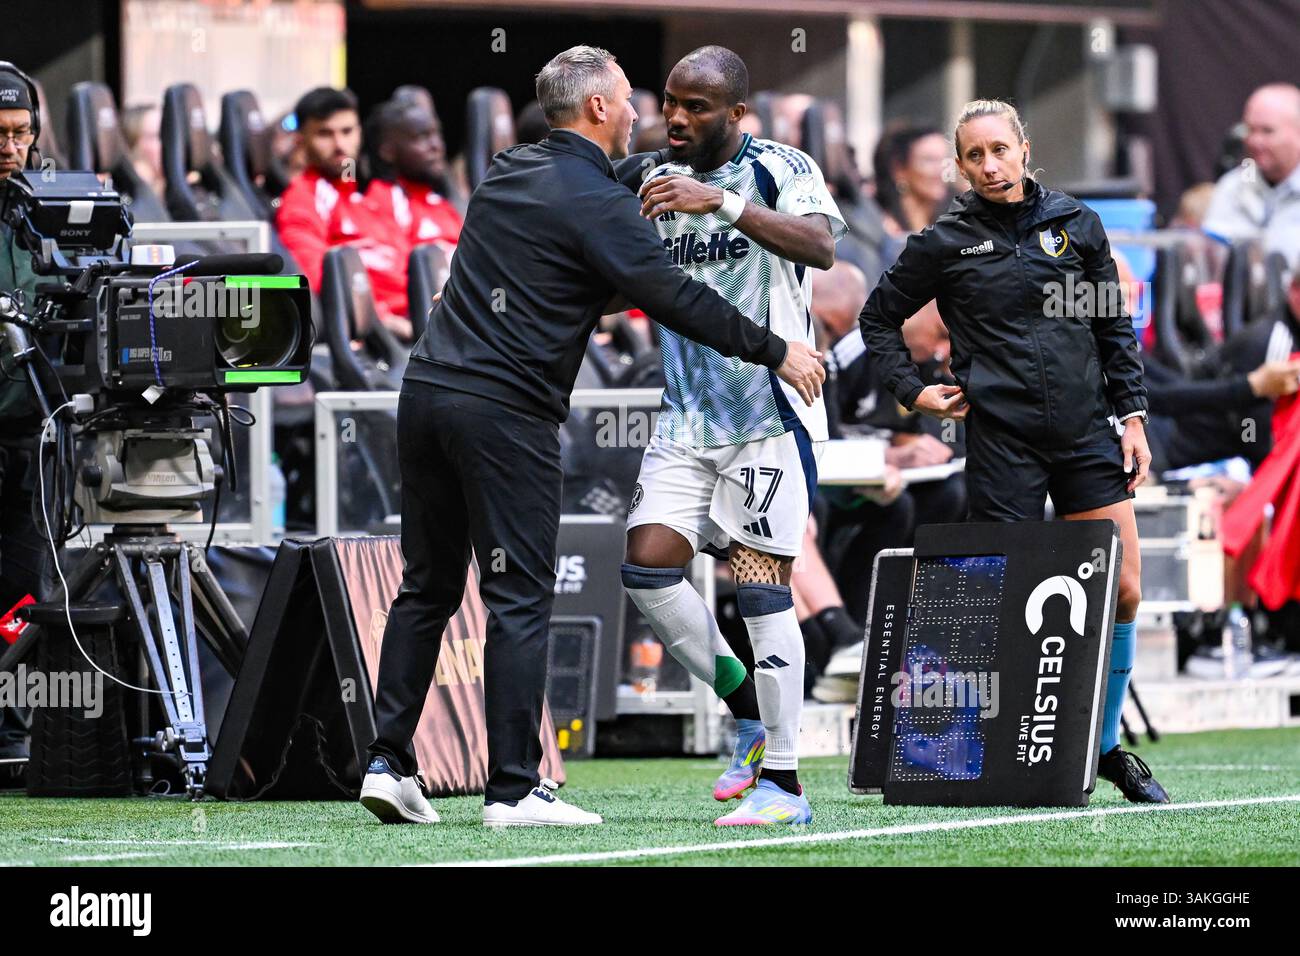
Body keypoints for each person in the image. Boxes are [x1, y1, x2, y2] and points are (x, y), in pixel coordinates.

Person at [358, 45, 825, 829]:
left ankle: (388, 762)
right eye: (642, 102)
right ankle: (512, 789)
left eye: (688, 106)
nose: (656, 116)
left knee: (428, 586)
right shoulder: (607, 201)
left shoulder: (507, 170)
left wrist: (698, 194)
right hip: (508, 413)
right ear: (602, 109)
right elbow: (667, 293)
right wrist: (777, 348)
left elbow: (583, 251)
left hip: (427, 393)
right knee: (518, 597)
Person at [859, 98, 1170, 804]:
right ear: (960, 166)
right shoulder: (943, 242)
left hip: (1089, 434)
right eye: (976, 155)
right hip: (1003, 442)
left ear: (1024, 148)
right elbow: (878, 321)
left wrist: (1133, 416)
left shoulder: (1076, 224)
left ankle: (1107, 749)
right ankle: (973, 750)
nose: (991, 165)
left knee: (1122, 588)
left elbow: (1111, 327)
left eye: (1001, 149)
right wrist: (915, 392)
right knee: (998, 597)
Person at [619, 46, 843, 827]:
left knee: (759, 589)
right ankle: (748, 713)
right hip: (685, 414)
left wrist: (717, 203)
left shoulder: (782, 165)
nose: (676, 118)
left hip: (767, 414)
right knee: (647, 570)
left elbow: (820, 247)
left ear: (736, 114)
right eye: (672, 102)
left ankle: (785, 785)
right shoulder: (645, 176)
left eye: (698, 106)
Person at [0, 62, 49, 779]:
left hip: (28, 438)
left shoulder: (54, 209)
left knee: (20, 594)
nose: (10, 147)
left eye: (19, 134)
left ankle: (10, 732)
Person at [274, 87, 362, 292]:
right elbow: (323, 288)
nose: (339, 144)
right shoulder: (301, 201)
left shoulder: (365, 192)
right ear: (300, 140)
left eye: (347, 131)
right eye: (325, 134)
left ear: (359, 132)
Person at [1203, 83, 1300, 266]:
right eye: (1250, 130)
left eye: (1267, 131)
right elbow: (1211, 264)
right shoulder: (1233, 187)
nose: (1255, 141)